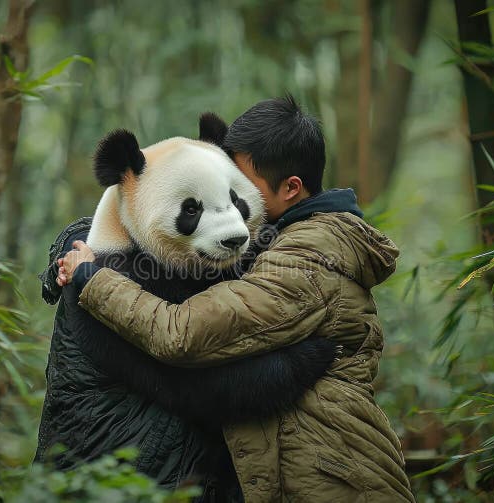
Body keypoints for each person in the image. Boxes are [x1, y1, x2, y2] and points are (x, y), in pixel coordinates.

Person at [57, 96, 415, 502]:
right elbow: (191, 366)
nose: (234, 227)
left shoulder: (304, 252)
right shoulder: (304, 235)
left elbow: (184, 334)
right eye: (195, 208)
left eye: (236, 195)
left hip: (333, 471)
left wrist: (88, 275)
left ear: (291, 188)